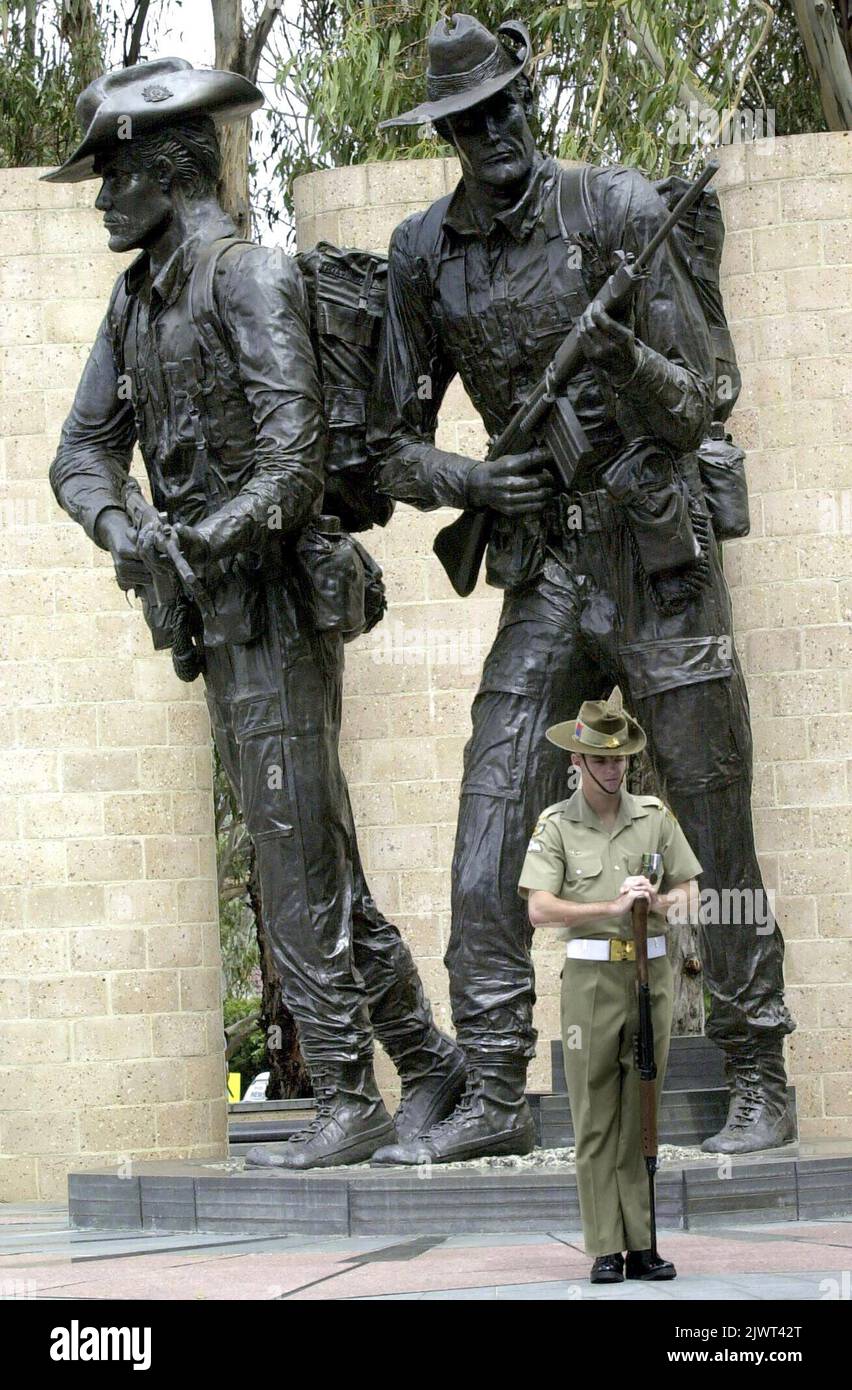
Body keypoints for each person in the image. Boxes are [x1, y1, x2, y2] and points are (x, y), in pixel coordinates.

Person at [368, 13, 794, 1167]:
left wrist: (618, 358)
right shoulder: (423, 256)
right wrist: (471, 475)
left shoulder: (618, 213)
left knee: (714, 824)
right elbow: (384, 444)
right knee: (491, 808)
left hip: (659, 559)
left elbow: (705, 394)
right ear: (449, 129)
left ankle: (761, 1062)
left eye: (507, 105)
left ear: (529, 103)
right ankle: (497, 1083)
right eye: (470, 118)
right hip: (547, 565)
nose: (495, 130)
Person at [45, 56, 465, 1171]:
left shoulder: (248, 280)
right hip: (218, 619)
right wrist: (126, 530)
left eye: (112, 173)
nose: (101, 198)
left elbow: (293, 464)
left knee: (292, 857)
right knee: (314, 853)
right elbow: (79, 454)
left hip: (276, 611)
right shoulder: (135, 301)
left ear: (170, 169)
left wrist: (199, 539)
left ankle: (345, 1093)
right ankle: (427, 1066)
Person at [518, 688, 700, 1283]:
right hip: (593, 979)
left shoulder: (653, 818)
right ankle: (604, 1244)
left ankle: (642, 1245)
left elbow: (692, 893)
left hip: (652, 976)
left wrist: (660, 901)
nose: (614, 768)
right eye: (601, 759)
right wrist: (610, 905)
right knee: (596, 1114)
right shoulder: (556, 826)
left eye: (621, 759)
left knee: (643, 1107)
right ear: (578, 762)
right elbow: (540, 909)